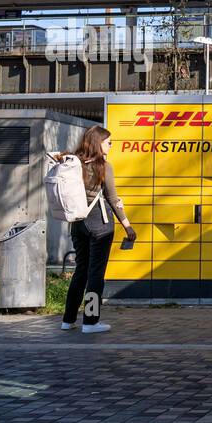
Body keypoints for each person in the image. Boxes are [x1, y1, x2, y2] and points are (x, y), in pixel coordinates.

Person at [59, 125, 136, 334]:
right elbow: (112, 198)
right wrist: (127, 226)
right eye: (108, 141)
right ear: (98, 143)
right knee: (95, 275)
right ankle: (91, 322)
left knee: (80, 271)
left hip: (77, 223)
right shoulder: (103, 166)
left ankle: (68, 319)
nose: (111, 145)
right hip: (99, 224)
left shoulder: (73, 162)